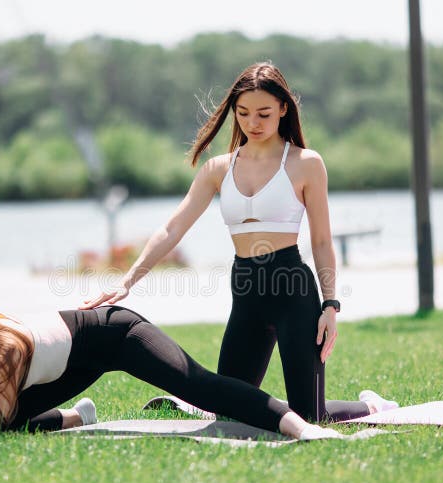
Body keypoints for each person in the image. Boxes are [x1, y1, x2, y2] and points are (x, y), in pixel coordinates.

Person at [80, 61, 397, 422]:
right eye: (243, 113)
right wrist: (128, 280)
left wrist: (330, 306)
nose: (253, 123)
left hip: (292, 290)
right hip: (246, 291)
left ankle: (373, 405)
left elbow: (322, 241)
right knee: (228, 414)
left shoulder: (306, 163)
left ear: (283, 108)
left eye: (263, 113)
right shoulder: (218, 168)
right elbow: (173, 227)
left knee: (308, 416)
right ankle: (239, 403)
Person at [0, 266, 379, 453]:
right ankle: (77, 415)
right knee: (10, 420)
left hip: (111, 334)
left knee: (203, 387)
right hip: (65, 364)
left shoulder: (3, 351)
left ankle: (298, 426)